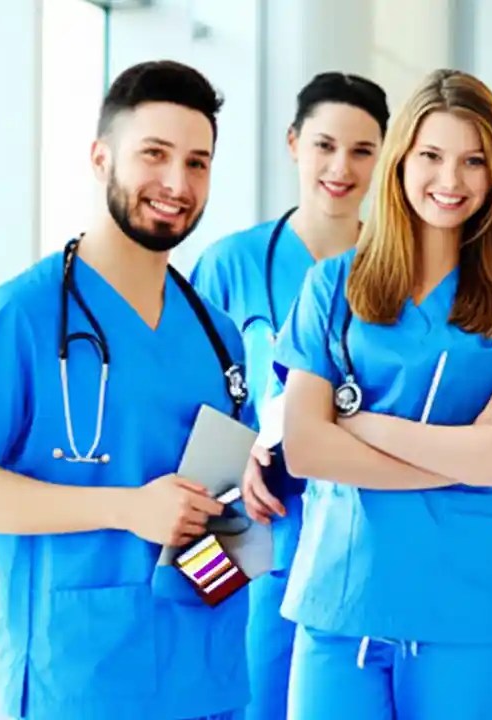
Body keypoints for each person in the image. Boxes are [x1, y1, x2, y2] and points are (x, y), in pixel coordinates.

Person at [0, 60, 252, 719]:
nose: (176, 183)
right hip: (81, 675)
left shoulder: (218, 337)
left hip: (207, 669)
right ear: (101, 159)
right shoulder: (25, 315)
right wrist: (127, 508)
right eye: (154, 155)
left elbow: (213, 501)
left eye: (198, 163)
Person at [272, 68, 492, 719]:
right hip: (342, 603)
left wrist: (360, 426)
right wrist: (465, 452)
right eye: (432, 156)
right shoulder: (333, 287)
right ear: (401, 159)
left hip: (468, 614)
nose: (451, 180)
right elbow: (303, 447)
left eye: (474, 161)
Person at [190, 70, 390, 720]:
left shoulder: (399, 277)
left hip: (368, 542)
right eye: (325, 145)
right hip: (253, 539)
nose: (341, 166)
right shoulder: (231, 266)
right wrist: (237, 462)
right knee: (244, 697)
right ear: (293, 143)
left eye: (362, 150)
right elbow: (195, 413)